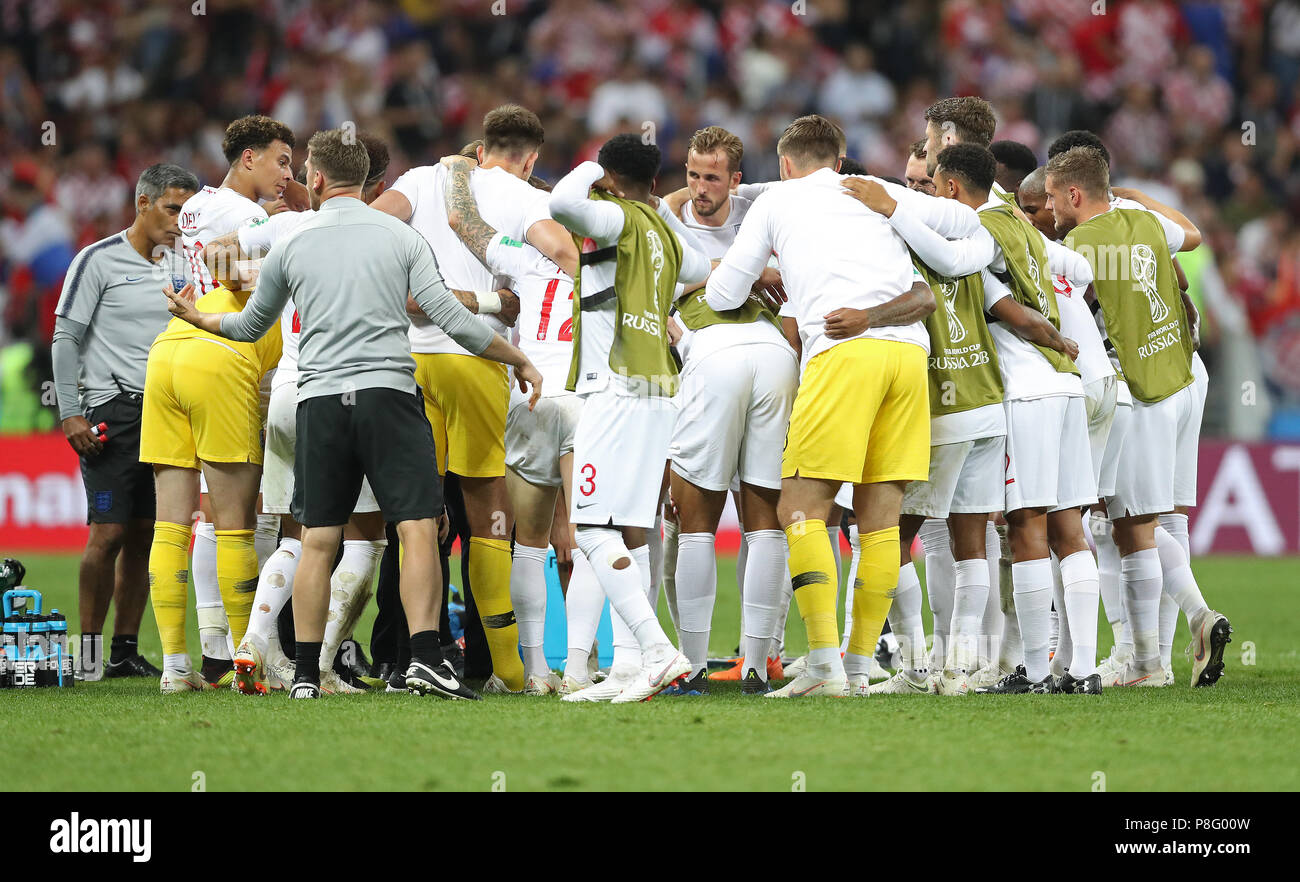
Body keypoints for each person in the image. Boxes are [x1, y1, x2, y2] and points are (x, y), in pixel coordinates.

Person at [164, 128, 544, 700]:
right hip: (388, 396)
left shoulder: (292, 240)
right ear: (365, 178)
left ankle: (306, 676)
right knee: (416, 528)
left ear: (316, 177)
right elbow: (449, 318)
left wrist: (197, 318)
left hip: (319, 400)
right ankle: (423, 661)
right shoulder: (401, 237)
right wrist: (516, 356)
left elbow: (247, 327)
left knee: (317, 538)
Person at [705, 115, 981, 698]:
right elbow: (963, 218)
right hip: (907, 355)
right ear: (840, 157)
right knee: (881, 521)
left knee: (801, 509)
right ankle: (858, 666)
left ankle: (825, 666)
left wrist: (767, 275)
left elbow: (722, 294)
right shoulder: (877, 194)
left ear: (785, 164)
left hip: (842, 351)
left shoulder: (777, 202)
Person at [867, 139, 1099, 694]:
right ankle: (1076, 669)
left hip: (1007, 395)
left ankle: (1015, 670)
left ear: (947, 186)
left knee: (1022, 530)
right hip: (1054, 385)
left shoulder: (961, 236)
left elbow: (966, 279)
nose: (918, 193)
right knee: (1065, 529)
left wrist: (890, 208)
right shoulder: (1014, 224)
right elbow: (1074, 271)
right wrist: (1062, 341)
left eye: (926, 183)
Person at [372, 105, 579, 694]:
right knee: (489, 515)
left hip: (409, 362)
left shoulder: (419, 180)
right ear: (530, 159)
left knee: (418, 515)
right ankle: (506, 671)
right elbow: (561, 251)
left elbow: (369, 224)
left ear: (481, 146)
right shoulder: (520, 195)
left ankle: (416, 656)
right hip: (476, 358)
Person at [202, 134, 396, 695]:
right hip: (342, 391)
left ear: (315, 177)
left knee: (296, 535)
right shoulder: (379, 234)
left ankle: (252, 646)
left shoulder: (286, 230)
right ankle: (325, 665)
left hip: (286, 388)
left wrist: (262, 286)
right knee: (362, 540)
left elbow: (216, 252)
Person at [1047, 146, 1231, 689]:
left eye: (1055, 197)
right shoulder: (1144, 219)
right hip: (1183, 376)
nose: (1052, 209)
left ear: (1074, 194)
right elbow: (1192, 235)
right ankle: (1151, 655)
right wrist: (1133, 197)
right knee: (1158, 519)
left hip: (1143, 391)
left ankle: (1155, 655)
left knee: (1129, 523)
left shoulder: (1077, 247)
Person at [550, 133, 711, 703]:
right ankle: (626, 669)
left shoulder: (615, 217)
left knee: (592, 526)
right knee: (630, 532)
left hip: (614, 387)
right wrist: (654, 203)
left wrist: (593, 167)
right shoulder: (663, 229)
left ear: (611, 180)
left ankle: (659, 650)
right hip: (657, 388)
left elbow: (561, 205)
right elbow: (699, 264)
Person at [655, 126, 797, 695]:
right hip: (773, 358)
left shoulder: (754, 210)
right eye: (691, 175)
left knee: (696, 524)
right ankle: (759, 667)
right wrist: (760, 276)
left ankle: (692, 667)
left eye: (712, 178)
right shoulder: (672, 214)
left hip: (712, 359)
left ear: (736, 181)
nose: (698, 189)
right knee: (765, 521)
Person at [51, 163, 198, 681]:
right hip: (112, 411)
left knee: (145, 535)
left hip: (168, 410)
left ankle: (123, 650)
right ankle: (88, 655)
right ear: (142, 203)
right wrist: (69, 411)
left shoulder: (188, 262)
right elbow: (66, 338)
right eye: (173, 209)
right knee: (108, 533)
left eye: (188, 211)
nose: (181, 221)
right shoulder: (96, 260)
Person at [439, 152, 579, 695]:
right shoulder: (616, 261)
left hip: (529, 396)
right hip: (586, 401)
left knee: (527, 544)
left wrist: (457, 171)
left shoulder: (523, 258)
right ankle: (591, 667)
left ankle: (533, 671)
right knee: (594, 540)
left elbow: (464, 225)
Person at [177, 114, 300, 684]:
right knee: (252, 516)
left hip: (190, 354)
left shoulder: (196, 205)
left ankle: (212, 647)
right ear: (248, 157)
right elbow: (248, 283)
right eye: (280, 161)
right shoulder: (249, 216)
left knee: (211, 514)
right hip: (242, 364)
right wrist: (281, 239)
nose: (286, 174)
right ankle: (254, 643)